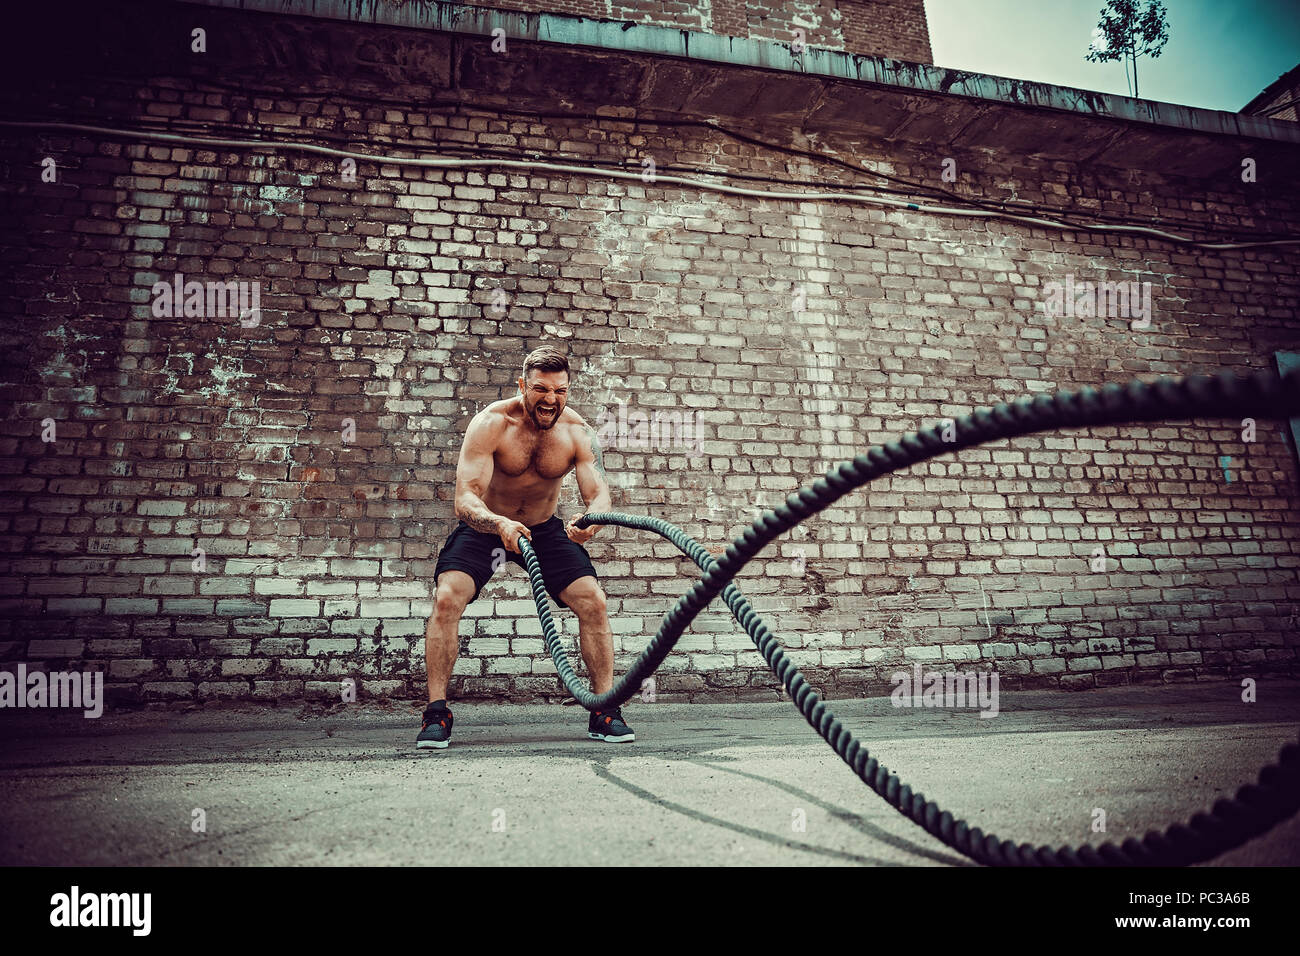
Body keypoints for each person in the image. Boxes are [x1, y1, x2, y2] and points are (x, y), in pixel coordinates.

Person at [417, 345, 634, 749]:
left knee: (594, 601)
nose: (551, 399)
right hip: (488, 527)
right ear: (522, 385)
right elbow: (465, 499)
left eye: (560, 391)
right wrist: (498, 523)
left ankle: (605, 710)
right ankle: (436, 713)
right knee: (447, 598)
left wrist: (592, 523)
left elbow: (600, 495)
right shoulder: (491, 424)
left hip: (543, 529)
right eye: (541, 389)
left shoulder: (577, 432)